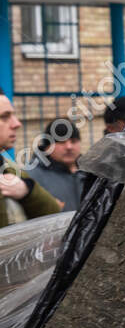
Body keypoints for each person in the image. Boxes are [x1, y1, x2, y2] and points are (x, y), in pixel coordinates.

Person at [0, 94, 63, 229]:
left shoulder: (8, 168)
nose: (17, 124)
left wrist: (27, 190)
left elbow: (53, 212)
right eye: (4, 117)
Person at [24, 118, 84, 211]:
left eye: (73, 141)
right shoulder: (31, 176)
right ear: (47, 147)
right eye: (61, 142)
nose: (69, 147)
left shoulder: (90, 173)